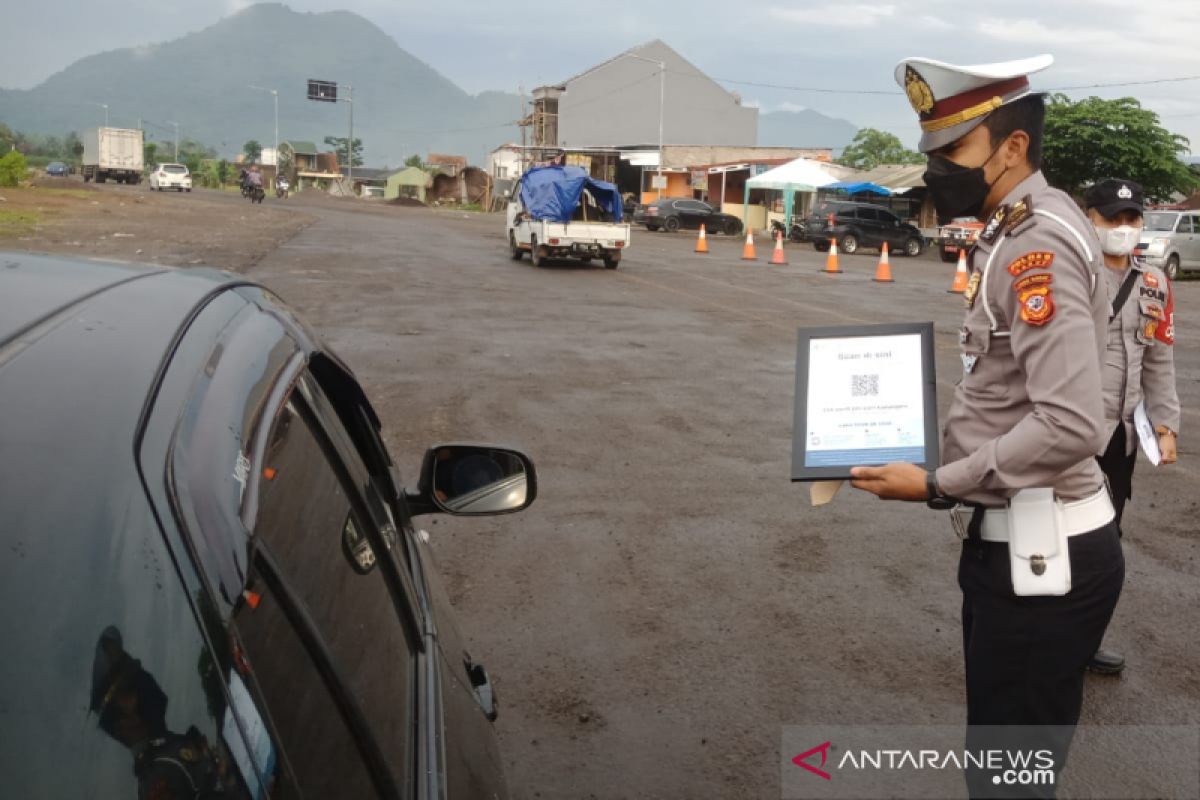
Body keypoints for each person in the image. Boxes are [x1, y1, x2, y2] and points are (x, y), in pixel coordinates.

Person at [849, 55, 1122, 796]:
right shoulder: (1022, 222)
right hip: (1030, 542)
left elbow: (1068, 422)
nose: (937, 170)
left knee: (1007, 781)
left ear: (1012, 148)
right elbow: (1009, 385)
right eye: (932, 153)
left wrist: (940, 484)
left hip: (1043, 556)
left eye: (953, 152)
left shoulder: (1034, 246)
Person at [1082, 179, 1179, 675]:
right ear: (1091, 218)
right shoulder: (1074, 274)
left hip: (1122, 440)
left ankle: (1085, 640)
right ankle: (1050, 638)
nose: (1122, 228)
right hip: (1072, 435)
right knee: (1060, 537)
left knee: (1107, 542)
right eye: (1112, 218)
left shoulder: (1154, 283)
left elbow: (1158, 360)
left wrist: (1166, 424)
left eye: (1131, 219)